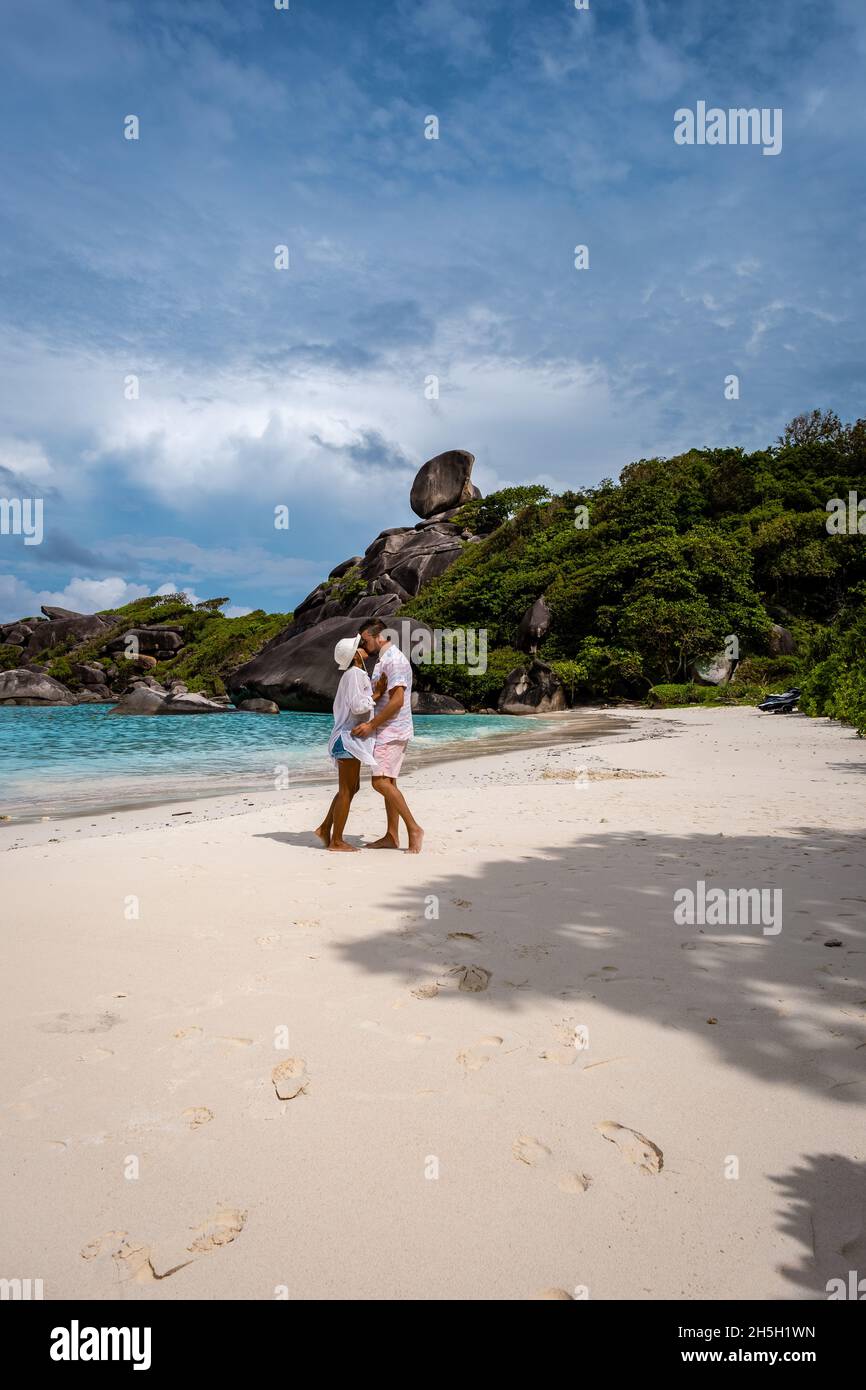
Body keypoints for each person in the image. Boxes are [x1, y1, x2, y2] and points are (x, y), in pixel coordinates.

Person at [352, 619, 424, 853]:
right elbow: (383, 696)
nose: (364, 644)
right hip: (392, 729)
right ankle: (392, 836)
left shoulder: (394, 660)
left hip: (391, 729)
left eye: (365, 639)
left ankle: (414, 828)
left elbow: (397, 700)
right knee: (389, 781)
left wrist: (371, 725)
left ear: (378, 636)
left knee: (379, 782)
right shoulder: (384, 659)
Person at [314, 635, 376, 852]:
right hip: (348, 740)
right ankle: (336, 840)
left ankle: (325, 828)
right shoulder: (356, 674)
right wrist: (377, 692)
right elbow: (358, 707)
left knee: (351, 788)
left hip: (348, 739)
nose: (364, 646)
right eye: (360, 646)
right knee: (346, 790)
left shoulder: (352, 674)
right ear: (356, 654)